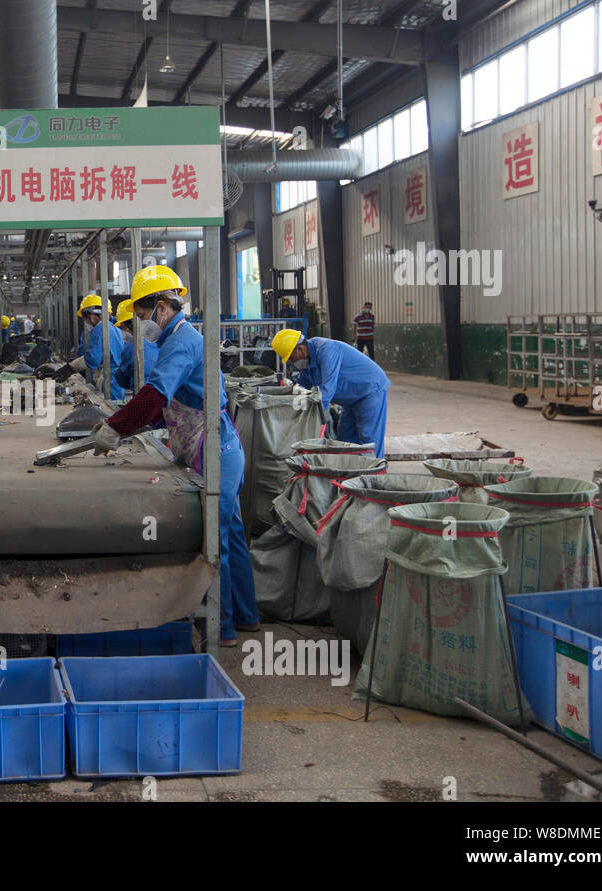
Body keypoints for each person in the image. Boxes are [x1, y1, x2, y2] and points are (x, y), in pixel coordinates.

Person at [90, 265, 259, 647]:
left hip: (214, 449)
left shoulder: (182, 340)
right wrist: (124, 423)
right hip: (216, 446)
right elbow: (167, 401)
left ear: (163, 307)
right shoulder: (180, 338)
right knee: (231, 534)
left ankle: (223, 629)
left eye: (144, 314)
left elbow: (155, 395)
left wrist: (117, 426)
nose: (142, 324)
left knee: (215, 540)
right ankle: (247, 616)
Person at [272, 328, 389, 457]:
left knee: (369, 440)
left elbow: (327, 391)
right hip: (350, 400)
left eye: (291, 358)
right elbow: (302, 387)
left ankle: (375, 469)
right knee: (345, 439)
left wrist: (309, 419)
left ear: (300, 349)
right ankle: (349, 469)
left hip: (370, 391)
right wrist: (291, 410)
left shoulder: (326, 350)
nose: (292, 362)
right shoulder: (307, 362)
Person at [77, 294, 128, 399]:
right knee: (115, 405)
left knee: (108, 407)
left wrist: (71, 367)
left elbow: (93, 359)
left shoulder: (99, 329)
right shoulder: (114, 329)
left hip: (109, 379)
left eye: (85, 319)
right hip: (117, 377)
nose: (85, 322)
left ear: (91, 317)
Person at [113, 297, 159, 393]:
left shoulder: (131, 348)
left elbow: (122, 380)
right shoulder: (160, 341)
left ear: (125, 325)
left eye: (122, 327)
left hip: (142, 395)